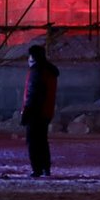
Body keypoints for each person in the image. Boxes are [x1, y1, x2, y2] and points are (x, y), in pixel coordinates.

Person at [21, 44, 60, 178]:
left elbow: (33, 93)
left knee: (33, 141)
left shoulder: (36, 71)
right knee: (42, 140)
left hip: (35, 112)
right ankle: (45, 168)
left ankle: (37, 168)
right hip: (46, 111)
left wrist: (26, 112)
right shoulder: (49, 71)